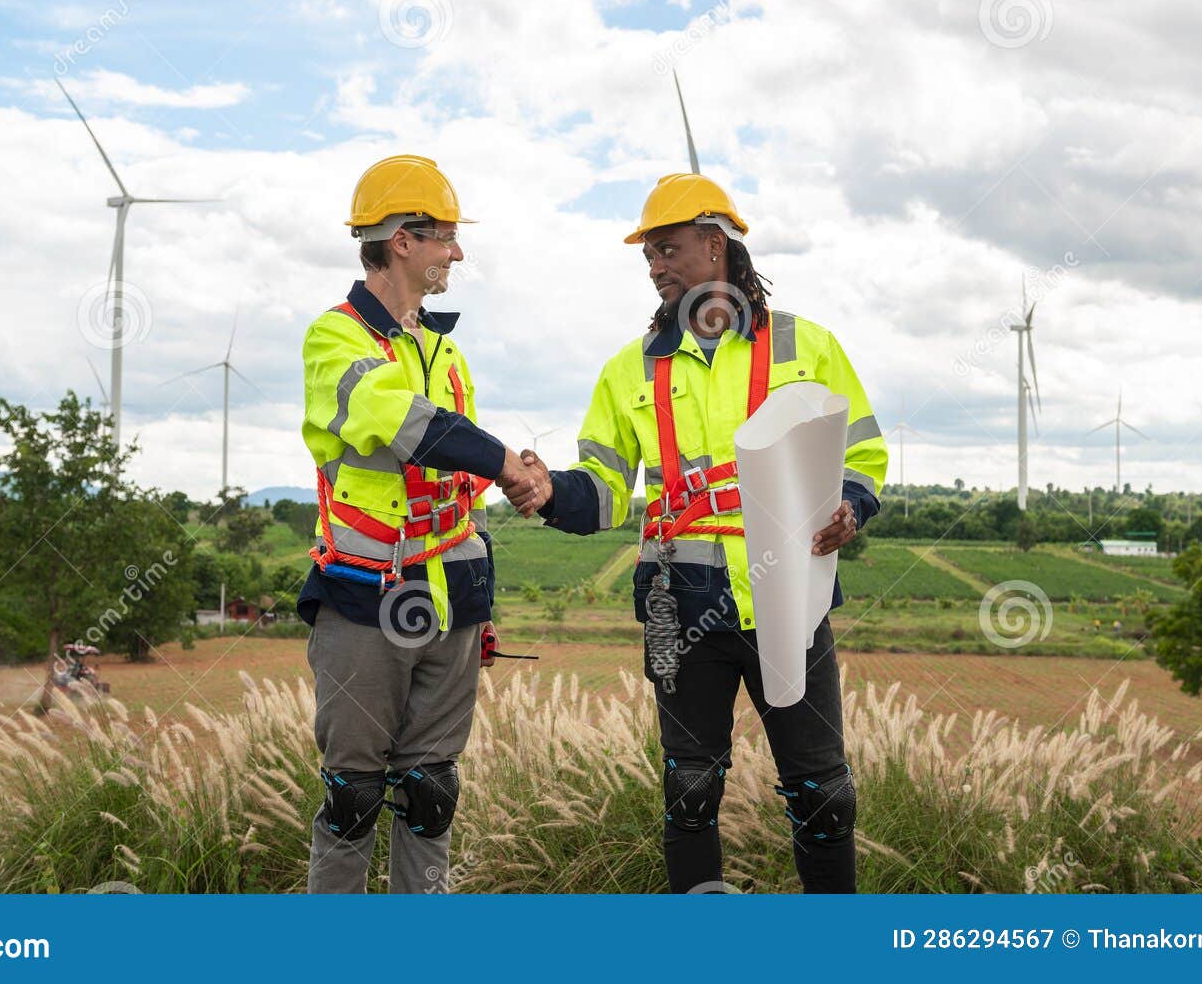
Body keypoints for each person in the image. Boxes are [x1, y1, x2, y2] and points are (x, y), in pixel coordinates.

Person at [514, 171, 888, 893]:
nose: (654, 266)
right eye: (647, 255)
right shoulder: (629, 370)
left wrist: (851, 507)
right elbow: (603, 490)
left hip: (793, 600)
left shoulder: (807, 346)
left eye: (667, 248)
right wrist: (548, 491)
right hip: (680, 604)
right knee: (690, 791)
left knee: (823, 795)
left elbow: (864, 454)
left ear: (715, 245)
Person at [296, 154, 548, 893]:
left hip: (453, 598)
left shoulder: (446, 350)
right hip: (363, 596)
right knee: (353, 798)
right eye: (445, 236)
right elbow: (405, 425)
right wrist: (504, 460)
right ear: (403, 238)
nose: (457, 252)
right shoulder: (335, 340)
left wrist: (523, 481)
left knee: (432, 793)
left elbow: (452, 469)